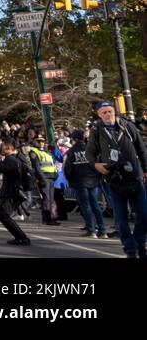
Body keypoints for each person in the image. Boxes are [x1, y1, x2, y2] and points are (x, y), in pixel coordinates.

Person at [87, 100, 147, 259]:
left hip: (135, 177)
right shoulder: (96, 130)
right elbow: (89, 154)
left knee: (143, 214)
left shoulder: (128, 126)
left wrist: (145, 169)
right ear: (99, 115)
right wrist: (96, 165)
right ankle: (130, 249)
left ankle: (140, 243)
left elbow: (141, 149)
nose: (108, 114)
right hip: (114, 180)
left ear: (114, 112)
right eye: (104, 112)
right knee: (121, 219)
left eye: (110, 111)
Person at [0, 139, 31, 246]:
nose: (2, 148)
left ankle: (22, 237)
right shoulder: (15, 158)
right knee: (4, 215)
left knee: (3, 215)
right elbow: (1, 167)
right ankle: (21, 237)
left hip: (12, 192)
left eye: (4, 146)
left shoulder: (11, 159)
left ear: (9, 148)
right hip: (13, 191)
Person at [62, 129, 106, 239]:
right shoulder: (91, 149)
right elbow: (98, 164)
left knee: (86, 206)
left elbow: (68, 168)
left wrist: (70, 181)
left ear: (74, 139)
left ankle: (91, 230)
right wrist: (97, 177)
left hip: (80, 181)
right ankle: (102, 230)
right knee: (95, 205)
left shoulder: (71, 151)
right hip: (92, 180)